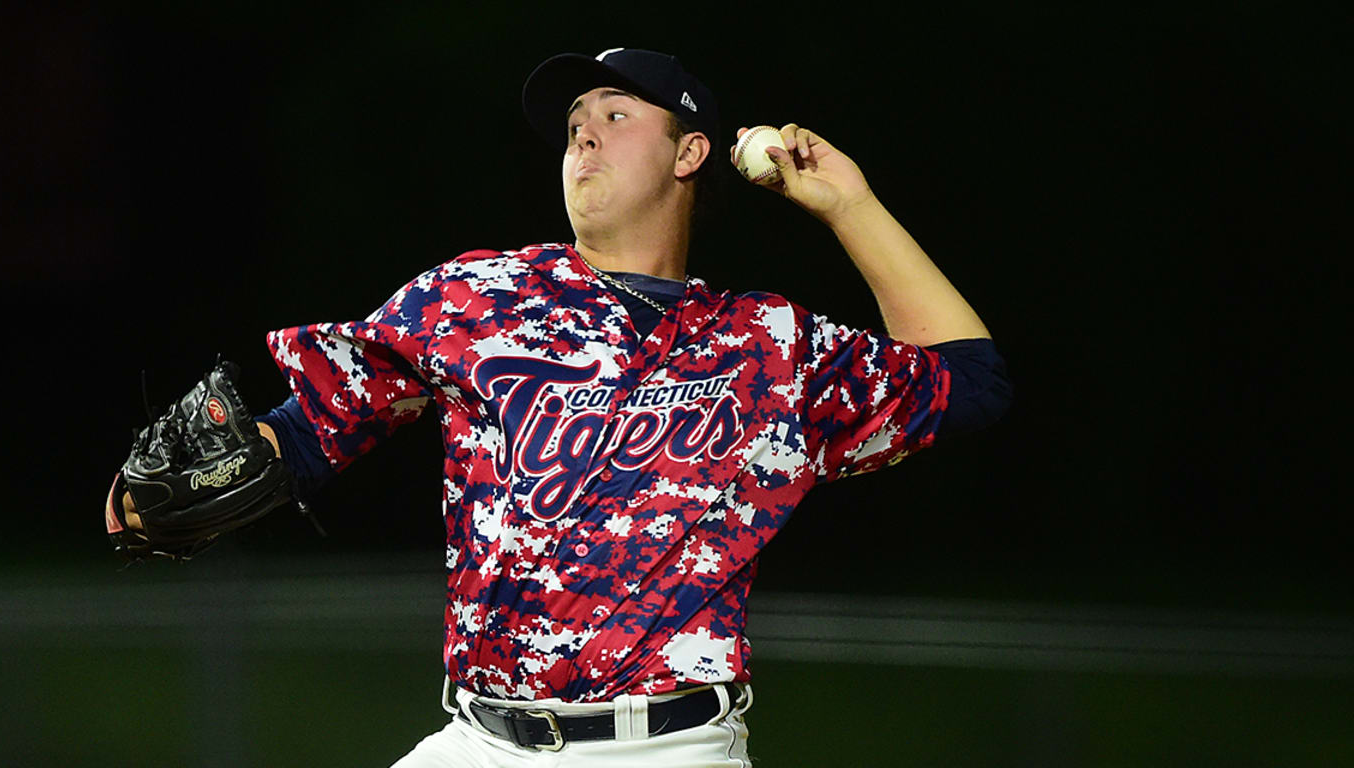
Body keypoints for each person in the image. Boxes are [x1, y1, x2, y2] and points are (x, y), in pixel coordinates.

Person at [114, 48, 1011, 766]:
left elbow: (968, 383)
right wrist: (203, 474)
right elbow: (314, 430)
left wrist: (848, 205)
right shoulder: (476, 297)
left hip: (667, 748)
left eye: (616, 116)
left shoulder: (769, 347)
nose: (583, 136)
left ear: (692, 152)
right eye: (575, 124)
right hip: (477, 742)